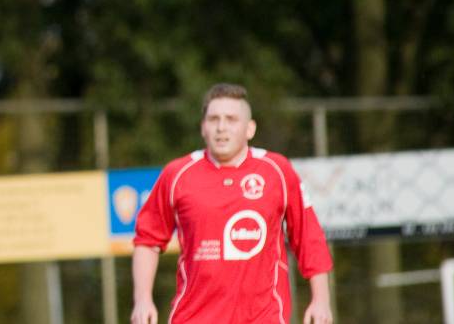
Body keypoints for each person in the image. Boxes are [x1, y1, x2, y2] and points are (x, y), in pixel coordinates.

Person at [131, 83, 334, 324]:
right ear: (202, 128)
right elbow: (147, 240)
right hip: (194, 316)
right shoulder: (177, 174)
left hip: (263, 316)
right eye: (214, 119)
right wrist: (142, 299)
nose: (221, 127)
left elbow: (308, 236)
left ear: (250, 129)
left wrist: (321, 298)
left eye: (231, 119)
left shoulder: (277, 171)